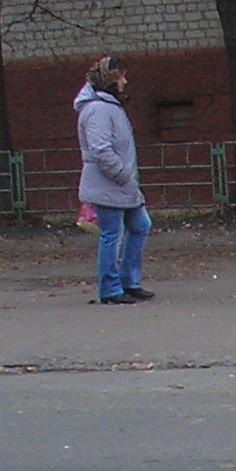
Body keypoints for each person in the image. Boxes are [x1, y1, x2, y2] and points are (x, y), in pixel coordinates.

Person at [74, 56, 151, 305]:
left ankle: (129, 281)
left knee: (140, 225)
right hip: (110, 185)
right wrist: (121, 173)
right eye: (120, 77)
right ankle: (110, 288)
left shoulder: (109, 107)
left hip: (122, 186)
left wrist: (125, 177)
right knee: (111, 234)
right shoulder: (98, 109)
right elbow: (100, 150)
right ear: (109, 80)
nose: (124, 82)